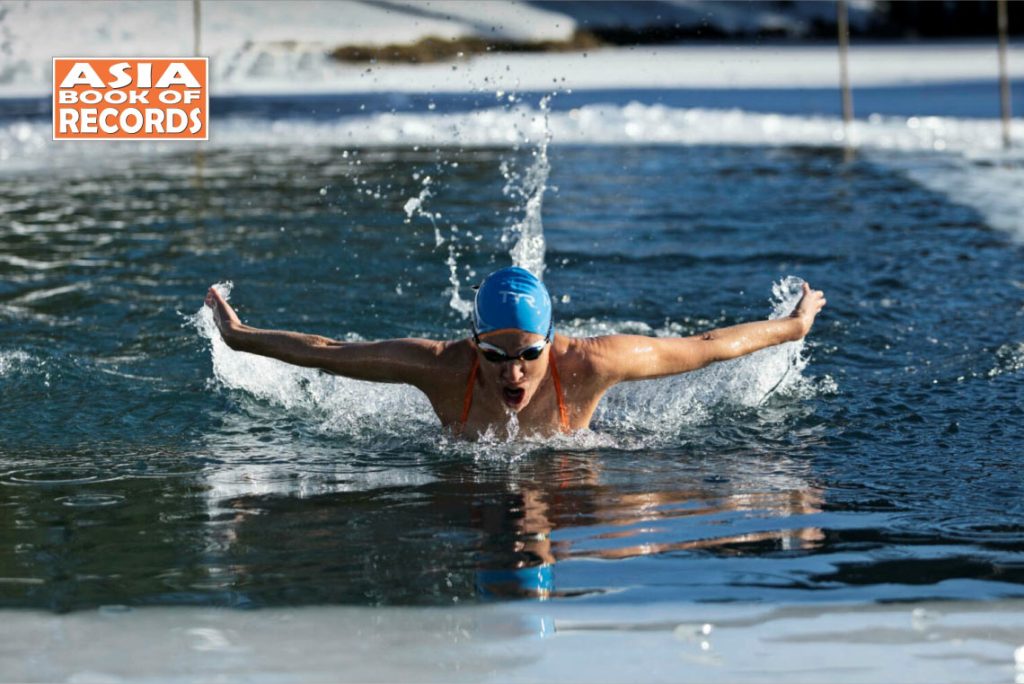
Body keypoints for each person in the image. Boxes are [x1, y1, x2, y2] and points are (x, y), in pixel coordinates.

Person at [204, 266, 825, 438]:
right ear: (471, 345)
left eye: (528, 352)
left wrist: (790, 329)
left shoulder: (592, 364)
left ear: (552, 343)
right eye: (495, 356)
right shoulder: (442, 369)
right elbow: (331, 353)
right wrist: (241, 337)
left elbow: (705, 347)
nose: (514, 370)